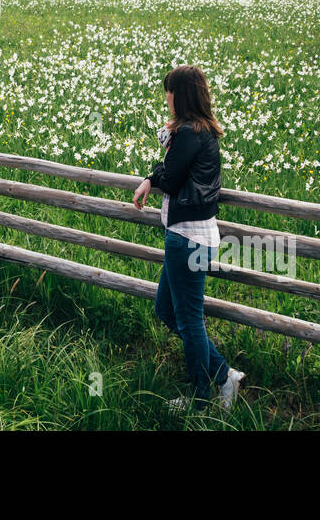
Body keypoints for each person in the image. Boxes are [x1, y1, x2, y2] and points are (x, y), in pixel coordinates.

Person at [132, 64, 245, 411]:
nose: (166, 98)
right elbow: (172, 170)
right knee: (166, 308)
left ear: (179, 95)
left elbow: (174, 176)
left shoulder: (189, 135)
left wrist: (152, 176)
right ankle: (223, 374)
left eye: (169, 91)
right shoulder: (199, 132)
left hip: (186, 237)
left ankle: (203, 396)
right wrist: (156, 174)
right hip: (192, 236)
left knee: (188, 318)